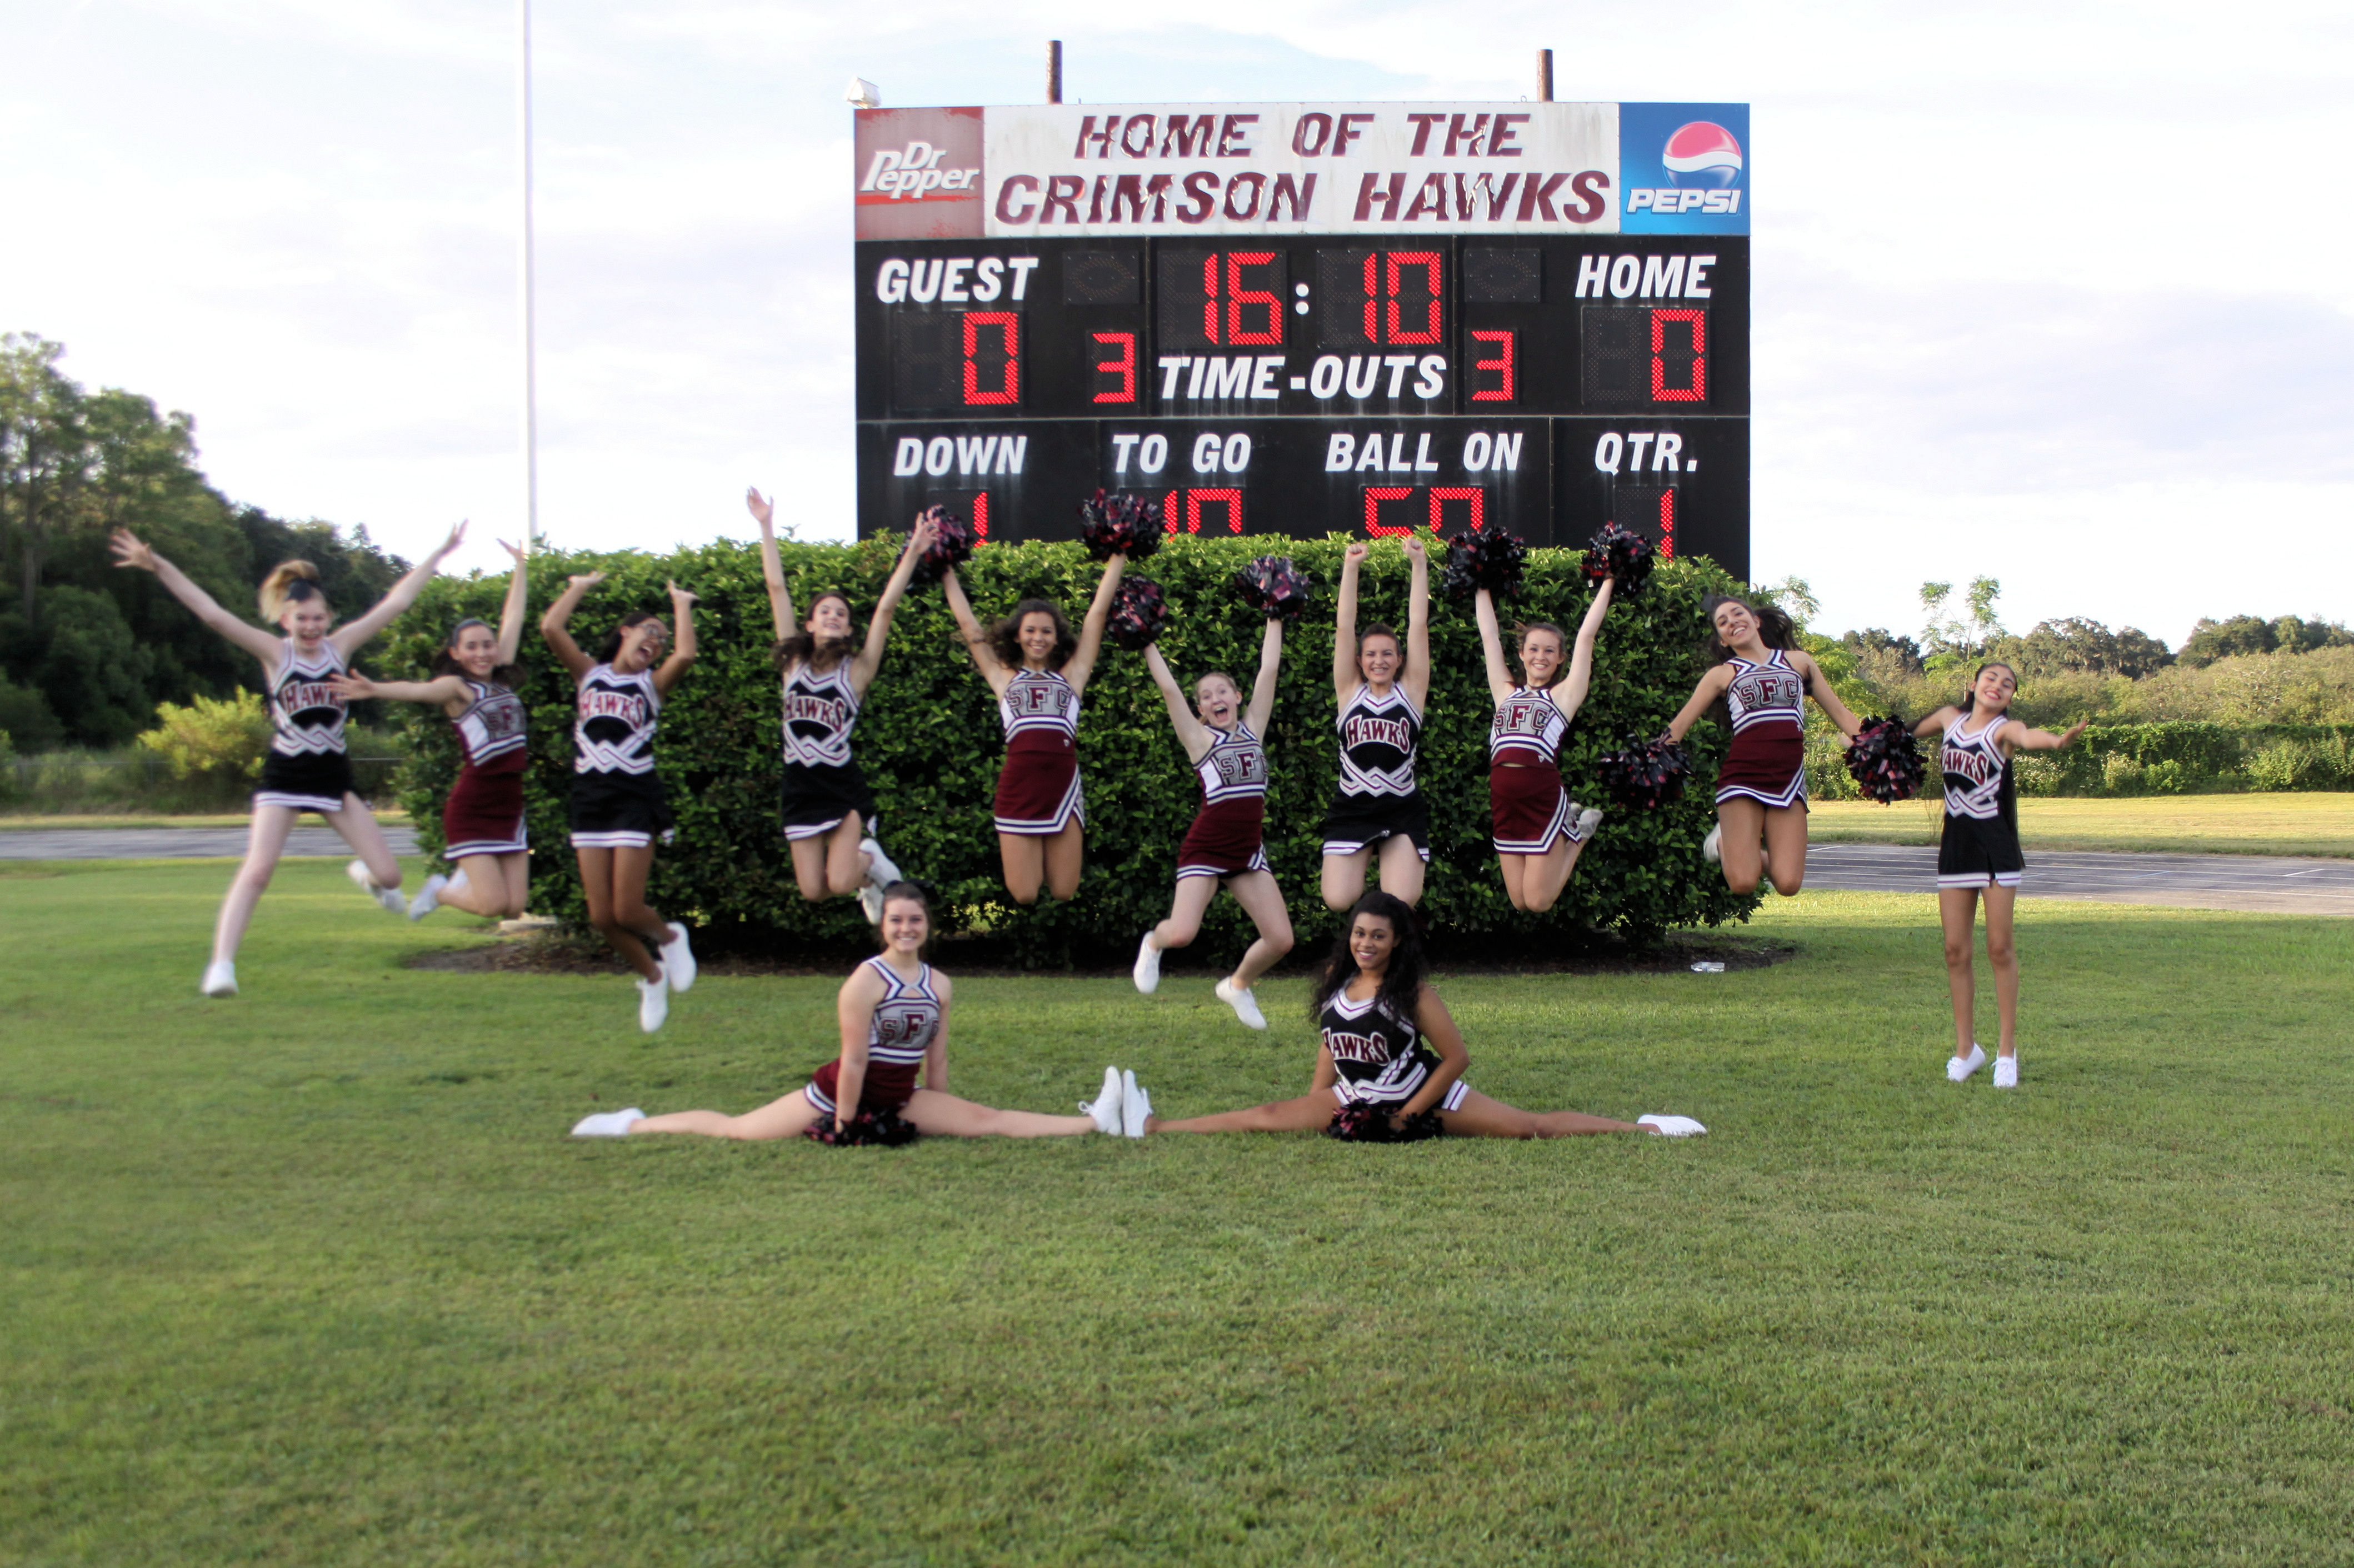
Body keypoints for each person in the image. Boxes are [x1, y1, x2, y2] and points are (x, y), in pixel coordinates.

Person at [108, 522, 465, 997]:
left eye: (319, 618)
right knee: (258, 870)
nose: (312, 627)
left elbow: (396, 602)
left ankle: (364, 876)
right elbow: (211, 613)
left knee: (391, 877)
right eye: (303, 620)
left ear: (329, 617)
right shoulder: (275, 653)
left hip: (333, 776)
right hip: (285, 773)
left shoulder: (341, 647)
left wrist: (439, 553)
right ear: (285, 620)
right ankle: (222, 967)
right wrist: (158, 565)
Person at [572, 881, 1134, 1141]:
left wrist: (940, 1103)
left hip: (901, 1097)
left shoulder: (939, 982)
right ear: (882, 926)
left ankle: (1096, 1120)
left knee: (987, 1121)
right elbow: (855, 1060)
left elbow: (934, 1057)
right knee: (738, 1132)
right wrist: (844, 1125)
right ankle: (634, 1123)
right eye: (897, 921)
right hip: (840, 1093)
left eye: (915, 921)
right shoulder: (865, 981)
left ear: (927, 926)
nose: (907, 929)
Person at [1139, 891, 1706, 1139]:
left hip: (1425, 1098)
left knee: (1531, 1127)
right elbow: (1332, 1042)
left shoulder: (1413, 991)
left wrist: (1411, 1113)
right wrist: (1317, 1099)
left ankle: (1645, 1128)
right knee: (1265, 1114)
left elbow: (1456, 1057)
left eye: (1377, 936)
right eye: (1359, 933)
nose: (1365, 943)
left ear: (1395, 942)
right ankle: (1160, 1127)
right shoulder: (1340, 980)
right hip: (1356, 1101)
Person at [749, 488, 932, 923]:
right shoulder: (792, 665)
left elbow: (886, 609)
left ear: (848, 628)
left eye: (841, 614)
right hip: (799, 788)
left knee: (838, 881)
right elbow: (776, 588)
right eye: (824, 612)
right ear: (809, 624)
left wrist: (912, 552)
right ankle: (869, 877)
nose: (833, 616)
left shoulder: (856, 672)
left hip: (840, 786)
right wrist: (765, 525)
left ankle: (870, 866)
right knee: (813, 891)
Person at [329, 538, 533, 923]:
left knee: (515, 906)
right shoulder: (456, 688)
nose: (482, 653)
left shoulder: (502, 678)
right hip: (473, 805)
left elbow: (514, 619)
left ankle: (447, 888)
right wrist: (373, 688)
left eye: (487, 645)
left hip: (510, 804)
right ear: (455, 653)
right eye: (471, 647)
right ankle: (441, 889)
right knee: (492, 906)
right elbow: (417, 690)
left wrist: (520, 567)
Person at [540, 571, 700, 1033]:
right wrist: (578, 587)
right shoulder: (589, 674)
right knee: (601, 916)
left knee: (628, 910)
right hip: (590, 803)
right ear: (625, 632)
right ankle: (652, 977)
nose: (657, 639)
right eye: (649, 630)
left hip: (633, 800)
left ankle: (671, 937)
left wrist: (681, 604)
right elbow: (552, 629)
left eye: (661, 637)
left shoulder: (652, 685)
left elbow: (686, 653)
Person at [1912, 662, 2086, 1088]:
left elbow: (2029, 737)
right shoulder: (1947, 719)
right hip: (1955, 849)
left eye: (2006, 685)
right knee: (1955, 950)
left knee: (1999, 947)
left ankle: (2006, 1051)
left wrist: (2057, 740)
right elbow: (1898, 738)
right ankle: (1966, 1049)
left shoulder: (2005, 731)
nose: (1997, 686)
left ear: (2009, 699)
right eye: (1990, 679)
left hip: (1995, 849)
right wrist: (1860, 741)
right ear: (1972, 684)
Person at [1131, 616, 1295, 1030]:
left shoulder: (1253, 729)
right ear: (1200, 709)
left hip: (1246, 851)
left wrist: (1274, 614)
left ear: (1237, 696)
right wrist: (1146, 639)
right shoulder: (1199, 739)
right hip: (1206, 848)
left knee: (1281, 939)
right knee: (1182, 933)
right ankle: (1153, 942)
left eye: (1222, 690)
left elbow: (1269, 669)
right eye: (1205, 696)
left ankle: (1237, 985)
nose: (1215, 698)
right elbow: (1169, 690)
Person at [940, 549, 1127, 904]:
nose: (1038, 637)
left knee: (1064, 889)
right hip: (1019, 787)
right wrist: (946, 570)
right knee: (1024, 893)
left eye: (1046, 631)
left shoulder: (1072, 677)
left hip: (1063, 788)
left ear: (1057, 639)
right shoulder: (1002, 678)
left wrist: (1119, 554)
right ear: (1017, 636)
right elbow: (969, 627)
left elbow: (1096, 617)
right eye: (1030, 631)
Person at [1661, 594, 1862, 897]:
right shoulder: (1722, 675)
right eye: (1723, 622)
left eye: (1737, 614)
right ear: (1723, 640)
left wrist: (1876, 743)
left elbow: (1841, 714)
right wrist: (1646, 758)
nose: (1732, 623)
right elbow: (1678, 727)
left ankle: (1736, 847)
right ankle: (1722, 842)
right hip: (1742, 778)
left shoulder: (1799, 662)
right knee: (1743, 883)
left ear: (1755, 620)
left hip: (1789, 781)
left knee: (1788, 883)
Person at [1475, 575, 1615, 913]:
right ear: (1522, 654)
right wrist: (1480, 579)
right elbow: (1489, 637)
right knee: (1520, 902)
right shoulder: (1504, 692)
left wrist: (1609, 580)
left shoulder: (1564, 696)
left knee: (1538, 902)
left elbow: (1586, 637)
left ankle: (1578, 835)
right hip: (1504, 802)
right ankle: (1574, 830)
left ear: (1560, 659)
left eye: (1549, 651)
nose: (1541, 656)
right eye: (1533, 649)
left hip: (1542, 798)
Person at [1321, 535, 1433, 910]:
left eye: (1387, 653)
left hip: (1401, 806)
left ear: (1399, 660)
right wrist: (1350, 568)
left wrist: (1419, 565)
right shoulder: (1349, 690)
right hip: (1352, 806)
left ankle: (1394, 964)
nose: (1379, 660)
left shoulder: (1411, 692)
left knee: (1400, 902)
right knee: (1337, 899)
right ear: (1359, 660)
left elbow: (1418, 625)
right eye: (1370, 654)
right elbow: (1344, 626)